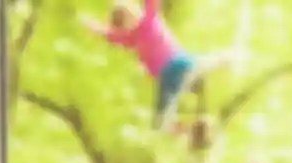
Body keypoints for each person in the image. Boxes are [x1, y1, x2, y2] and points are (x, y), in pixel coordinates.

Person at [81, 0, 232, 131]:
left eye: (131, 16)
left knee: (195, 67)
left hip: (177, 64)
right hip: (167, 78)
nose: (132, 21)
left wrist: (101, 29)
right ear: (124, 27)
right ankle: (184, 129)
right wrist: (97, 29)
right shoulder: (131, 38)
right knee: (160, 123)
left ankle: (225, 58)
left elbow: (151, 3)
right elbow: (114, 37)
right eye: (126, 23)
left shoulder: (149, 19)